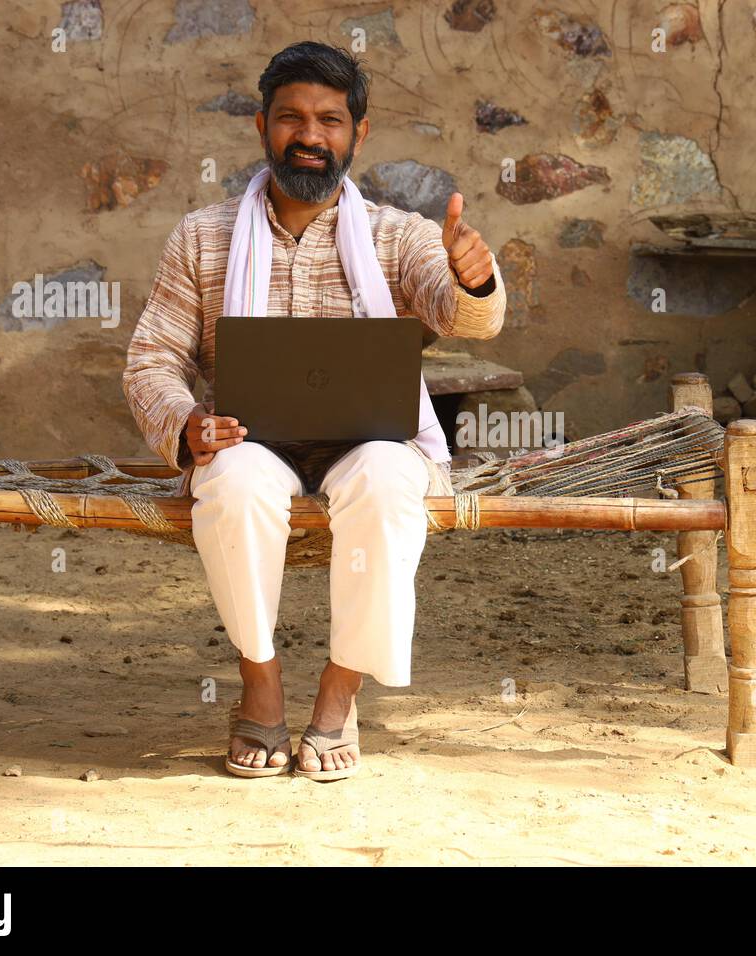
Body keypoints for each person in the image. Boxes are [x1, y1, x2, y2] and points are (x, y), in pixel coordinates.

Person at [123, 40, 505, 780]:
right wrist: (186, 425)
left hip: (366, 444)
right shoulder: (202, 238)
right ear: (262, 126)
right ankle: (259, 684)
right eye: (292, 117)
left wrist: (472, 282)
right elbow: (151, 361)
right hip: (250, 441)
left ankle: (339, 692)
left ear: (358, 134)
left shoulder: (401, 237)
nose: (310, 135)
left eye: (330, 120)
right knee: (230, 479)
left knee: (394, 479)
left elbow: (465, 317)